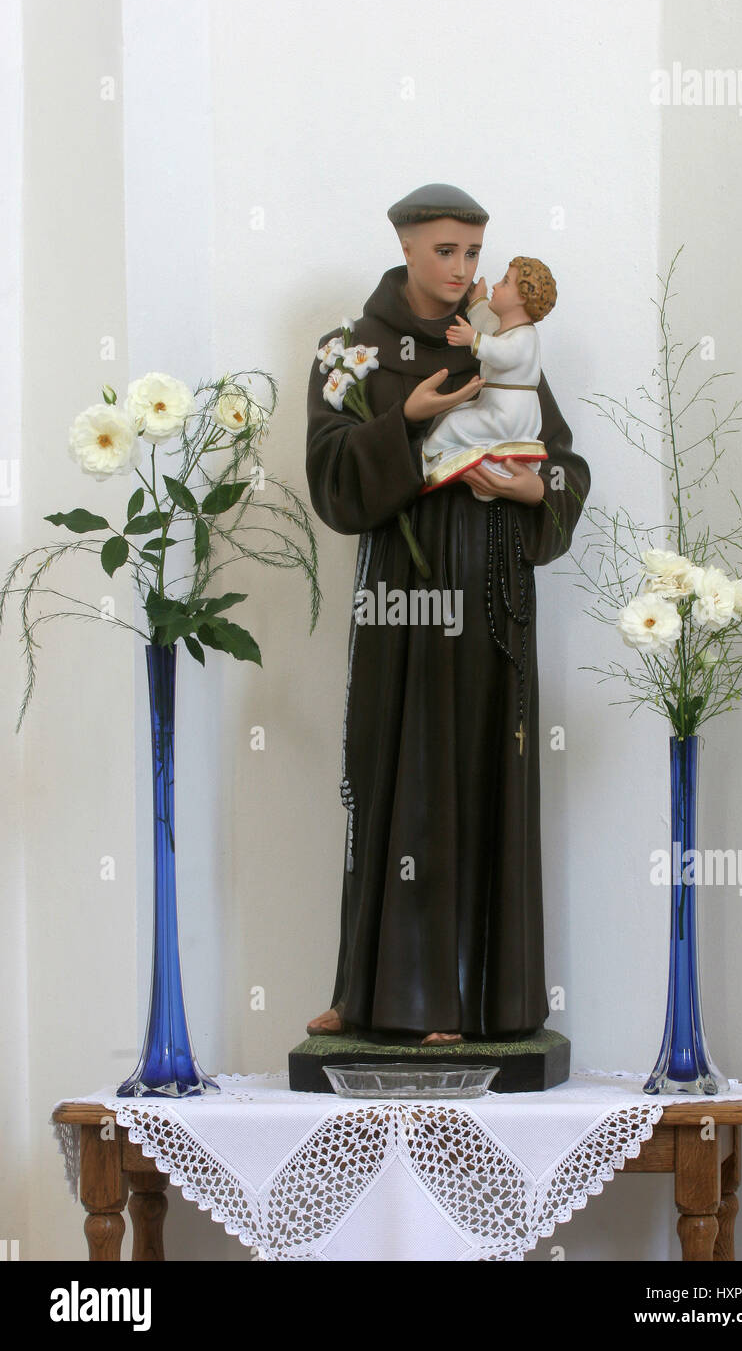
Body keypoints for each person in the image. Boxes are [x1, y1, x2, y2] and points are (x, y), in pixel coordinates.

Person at [305, 183, 591, 1045]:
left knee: (478, 772)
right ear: (405, 248)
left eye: (473, 252)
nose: (463, 269)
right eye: (445, 251)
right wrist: (407, 419)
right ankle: (374, 996)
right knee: (395, 772)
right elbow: (327, 474)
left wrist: (537, 487)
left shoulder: (503, 343)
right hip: (403, 591)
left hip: (492, 585)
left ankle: (476, 999)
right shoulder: (350, 349)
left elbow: (562, 459)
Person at [421, 257, 556, 498]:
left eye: (505, 282)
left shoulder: (525, 337)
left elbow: (503, 353)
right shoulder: (503, 325)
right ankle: (452, 457)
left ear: (523, 298)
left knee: (454, 423)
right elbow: (486, 322)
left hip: (510, 414)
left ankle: (427, 460)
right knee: (452, 413)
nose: (496, 285)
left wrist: (472, 339)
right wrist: (478, 301)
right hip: (494, 405)